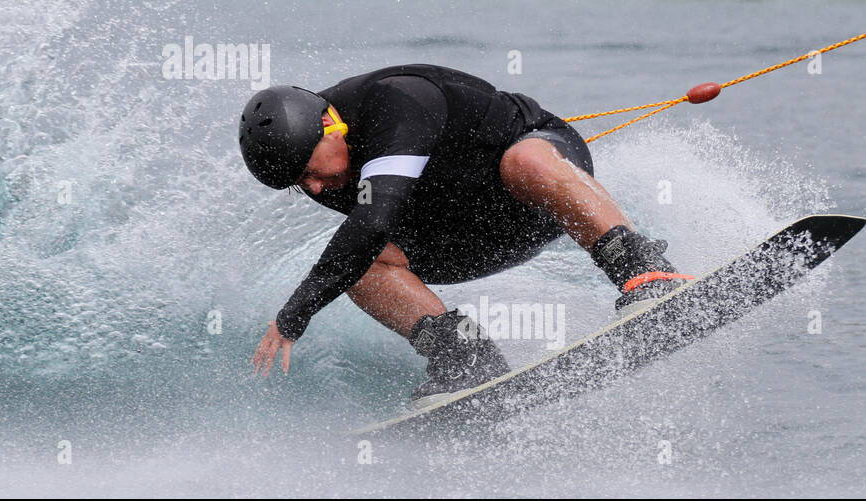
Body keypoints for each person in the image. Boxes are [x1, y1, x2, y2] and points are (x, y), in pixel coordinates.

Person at [238, 64, 691, 398]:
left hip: (533, 193)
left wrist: (293, 315)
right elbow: (367, 234)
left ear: (329, 125)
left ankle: (644, 270)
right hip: (459, 236)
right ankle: (465, 360)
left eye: (307, 171)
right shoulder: (319, 169)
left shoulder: (395, 102)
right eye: (298, 185)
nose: (313, 187)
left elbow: (374, 219)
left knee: (523, 161)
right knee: (360, 264)